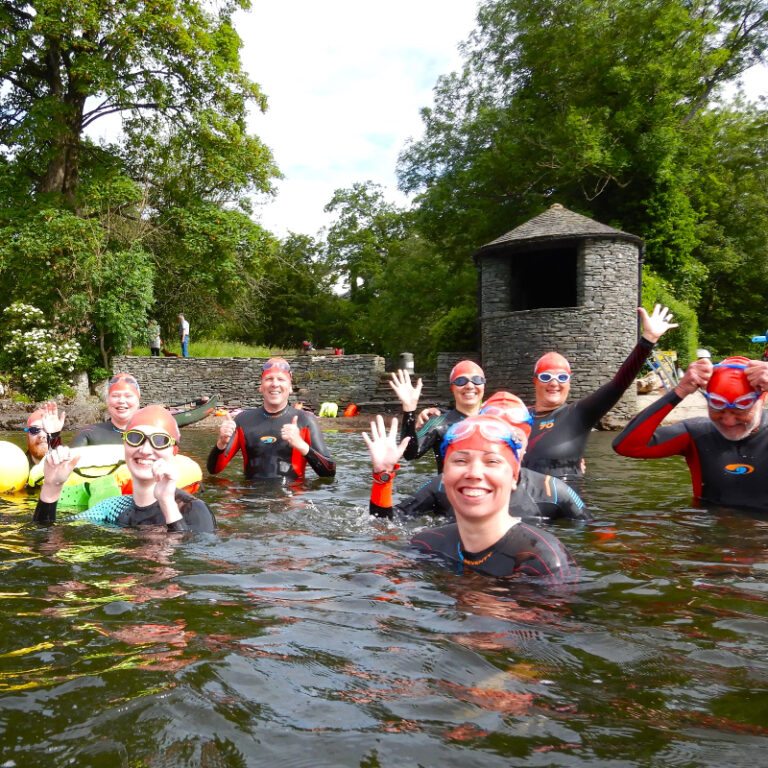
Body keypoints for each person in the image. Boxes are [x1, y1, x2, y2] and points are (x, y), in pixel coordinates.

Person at [364, 414, 575, 582]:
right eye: (460, 460)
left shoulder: (544, 561)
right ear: (444, 476)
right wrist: (383, 476)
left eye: (492, 461)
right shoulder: (426, 544)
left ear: (514, 476)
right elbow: (383, 586)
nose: (474, 473)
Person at [378, 392, 590, 523]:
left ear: (527, 441)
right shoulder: (444, 485)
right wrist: (382, 478)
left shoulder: (553, 491)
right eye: (499, 436)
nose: (508, 446)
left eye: (515, 437)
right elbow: (384, 524)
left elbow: (595, 533)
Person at [521, 304, 677, 481]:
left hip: (563, 504)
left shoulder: (578, 414)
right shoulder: (517, 415)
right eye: (546, 376)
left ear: (570, 384)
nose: (554, 383)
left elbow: (618, 384)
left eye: (562, 377)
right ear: (535, 381)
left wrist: (647, 340)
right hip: (522, 503)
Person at [612, 356, 768, 510]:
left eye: (740, 410)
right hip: (712, 529)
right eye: (717, 408)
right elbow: (626, 446)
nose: (729, 421)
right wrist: (680, 391)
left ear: (763, 398)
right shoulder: (697, 433)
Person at [34, 405, 216, 532]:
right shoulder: (112, 508)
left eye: (159, 441)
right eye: (135, 438)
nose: (145, 450)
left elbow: (191, 563)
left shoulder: (194, 510)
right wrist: (52, 488)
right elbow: (45, 537)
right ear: (125, 445)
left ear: (174, 451)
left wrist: (167, 504)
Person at [207, 357, 336, 480]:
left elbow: (329, 472)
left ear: (290, 387)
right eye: (269, 379)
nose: (275, 384)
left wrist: (301, 445)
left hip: (290, 497)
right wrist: (222, 443)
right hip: (251, 497)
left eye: (281, 379)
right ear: (261, 387)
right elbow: (213, 470)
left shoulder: (306, 420)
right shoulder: (243, 420)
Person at [391, 360, 485, 472]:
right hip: (447, 488)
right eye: (460, 381)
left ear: (483, 385)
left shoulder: (498, 420)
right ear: (452, 388)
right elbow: (410, 454)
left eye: (477, 380)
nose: (469, 385)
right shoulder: (438, 422)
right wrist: (409, 410)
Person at [70, 372, 141, 447]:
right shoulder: (87, 434)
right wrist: (56, 436)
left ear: (138, 400)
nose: (121, 401)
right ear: (108, 400)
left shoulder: (152, 434)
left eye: (128, 396)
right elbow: (68, 458)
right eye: (115, 396)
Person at [24, 402, 65, 467]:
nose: (42, 435)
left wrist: (55, 440)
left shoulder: (69, 465)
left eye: (47, 429)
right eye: (34, 430)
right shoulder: (14, 466)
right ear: (27, 435)